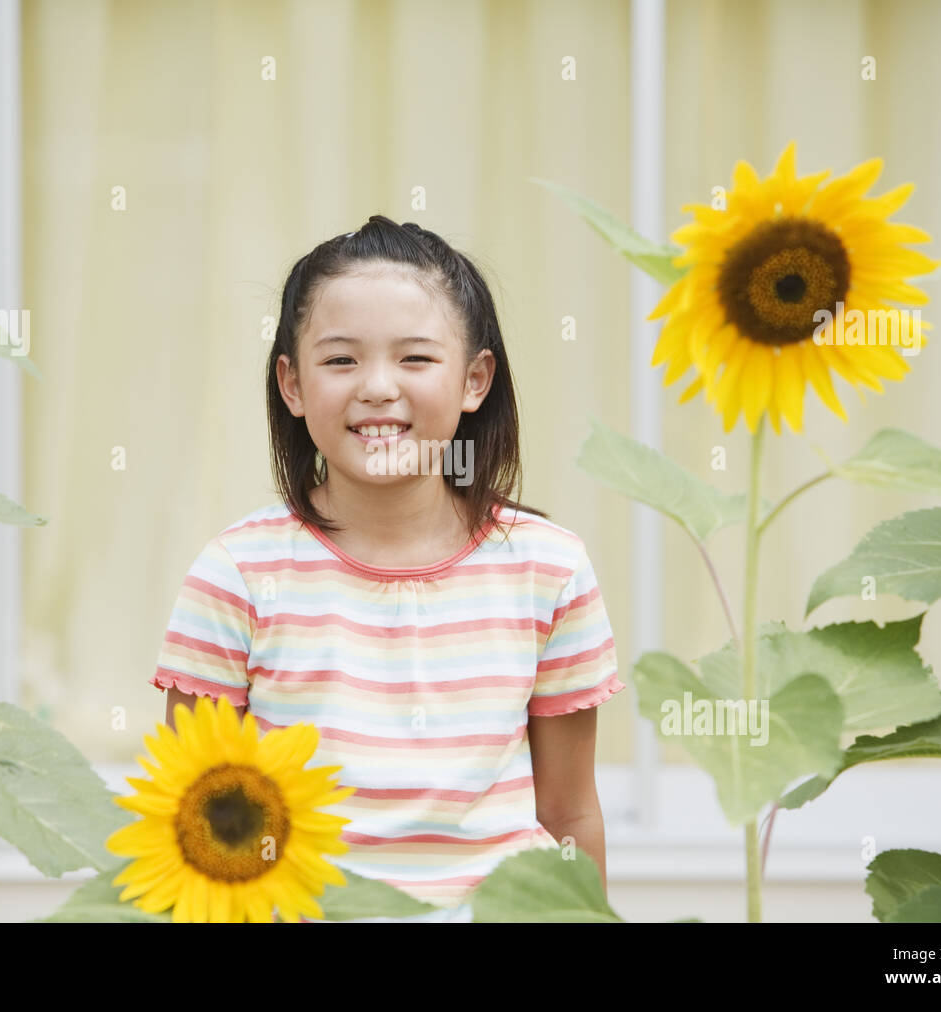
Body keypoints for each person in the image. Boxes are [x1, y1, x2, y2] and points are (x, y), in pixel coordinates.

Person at [151, 215, 624, 922]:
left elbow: (570, 814)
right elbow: (189, 823)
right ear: (293, 384)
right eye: (341, 361)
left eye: (415, 359)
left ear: (474, 380)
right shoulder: (236, 575)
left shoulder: (548, 568)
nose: (377, 387)